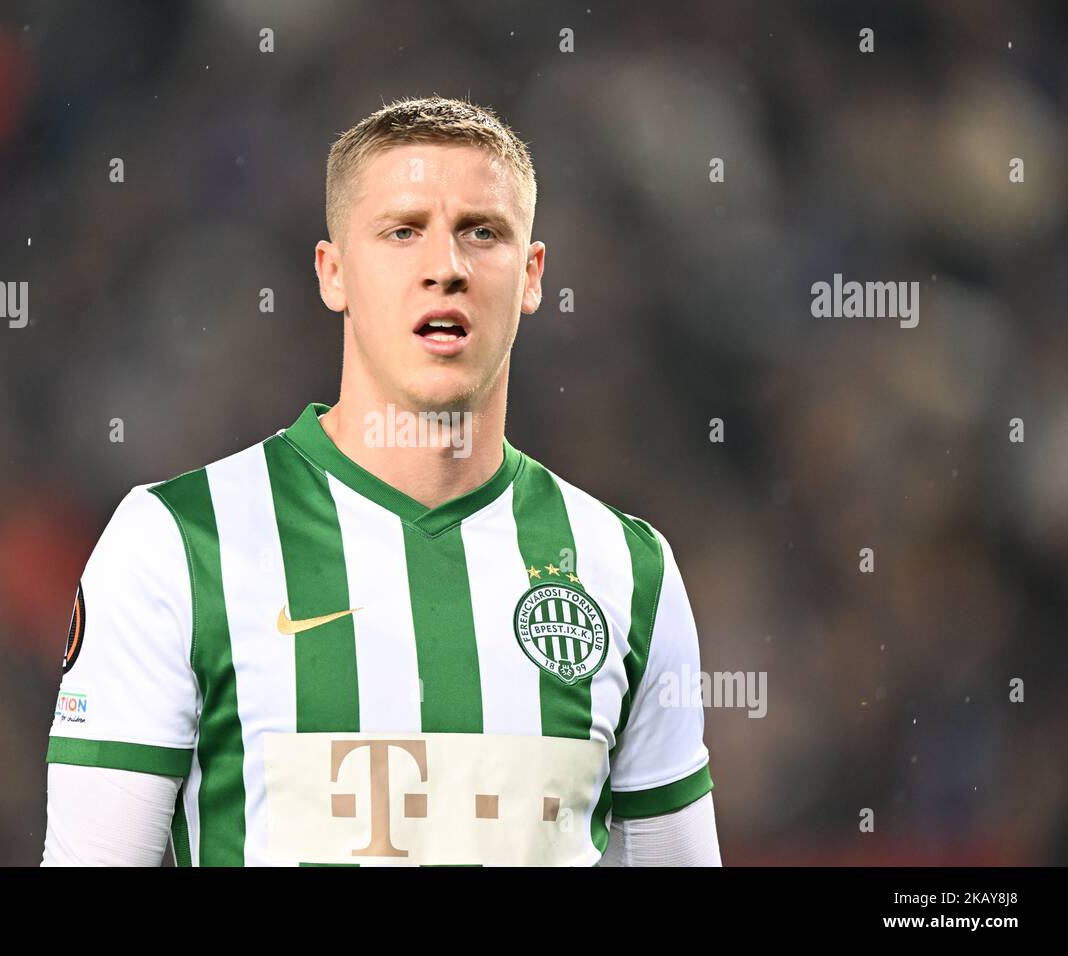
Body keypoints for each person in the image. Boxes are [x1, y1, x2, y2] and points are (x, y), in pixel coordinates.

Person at [42, 96, 720, 866]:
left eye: (482, 232)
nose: (446, 268)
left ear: (532, 276)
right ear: (334, 273)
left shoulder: (627, 569)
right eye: (403, 231)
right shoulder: (176, 544)